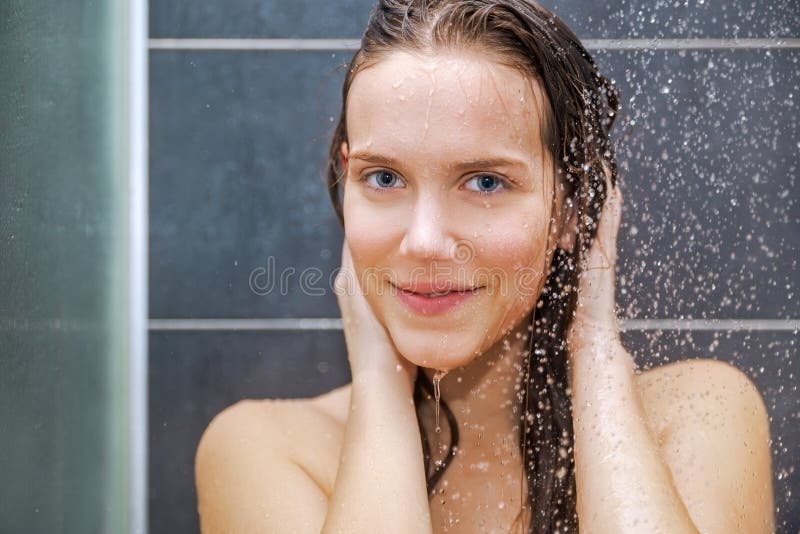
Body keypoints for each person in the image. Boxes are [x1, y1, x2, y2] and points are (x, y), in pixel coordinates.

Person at [194, 1, 775, 532]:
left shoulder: (697, 415)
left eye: (485, 182)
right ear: (347, 181)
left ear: (572, 209)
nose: (424, 242)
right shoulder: (265, 450)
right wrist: (380, 383)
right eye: (384, 178)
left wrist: (593, 346)